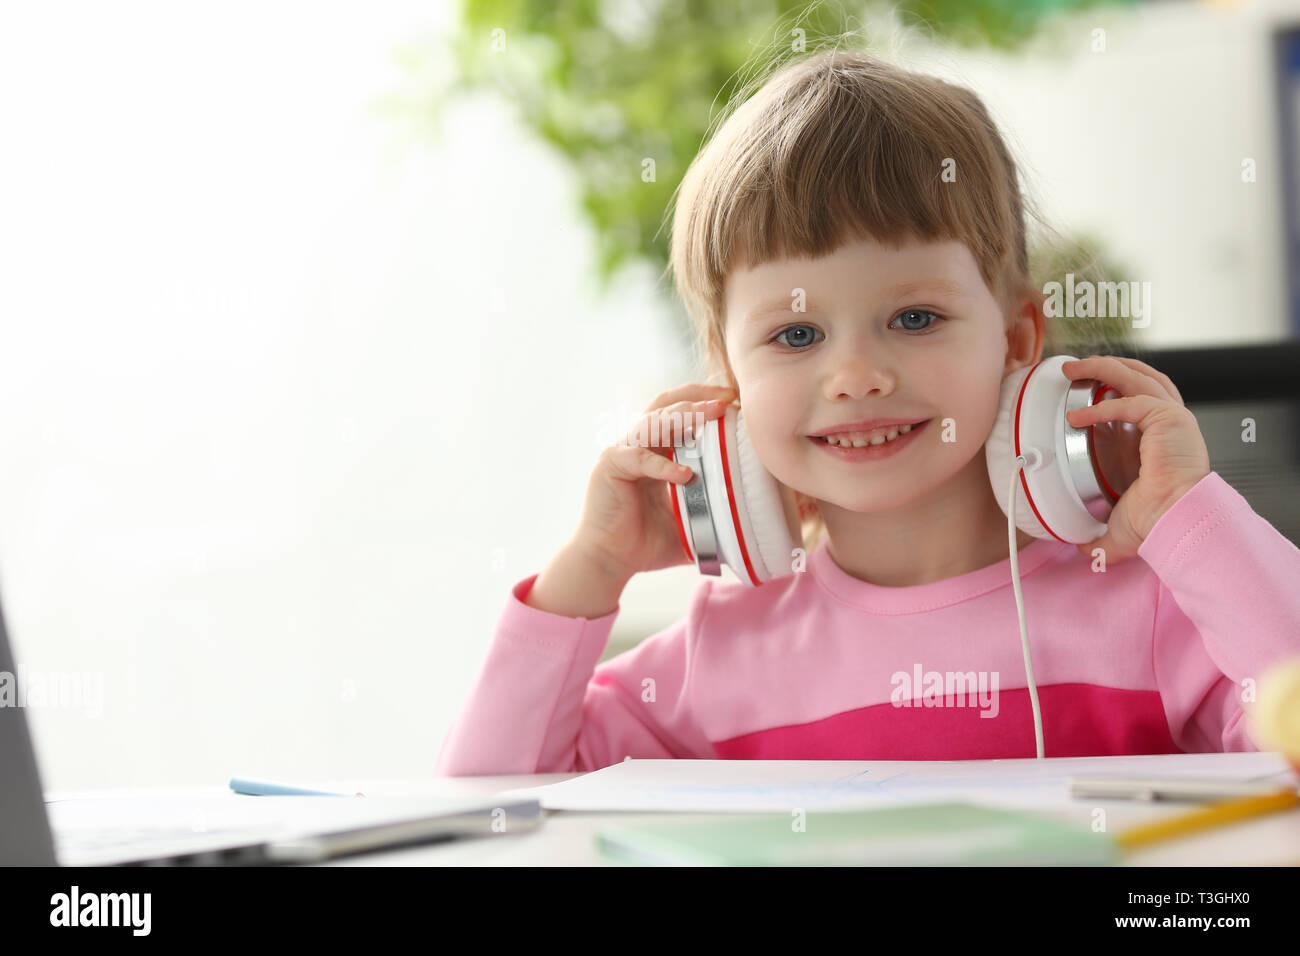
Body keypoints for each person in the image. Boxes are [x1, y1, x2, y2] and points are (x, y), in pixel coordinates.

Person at [435, 49, 1300, 775]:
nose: (854, 376)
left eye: (914, 318)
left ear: (1014, 339)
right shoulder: (718, 658)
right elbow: (489, 808)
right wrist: (593, 568)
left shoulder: (1148, 611)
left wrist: (1189, 520)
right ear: (724, 386)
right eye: (797, 332)